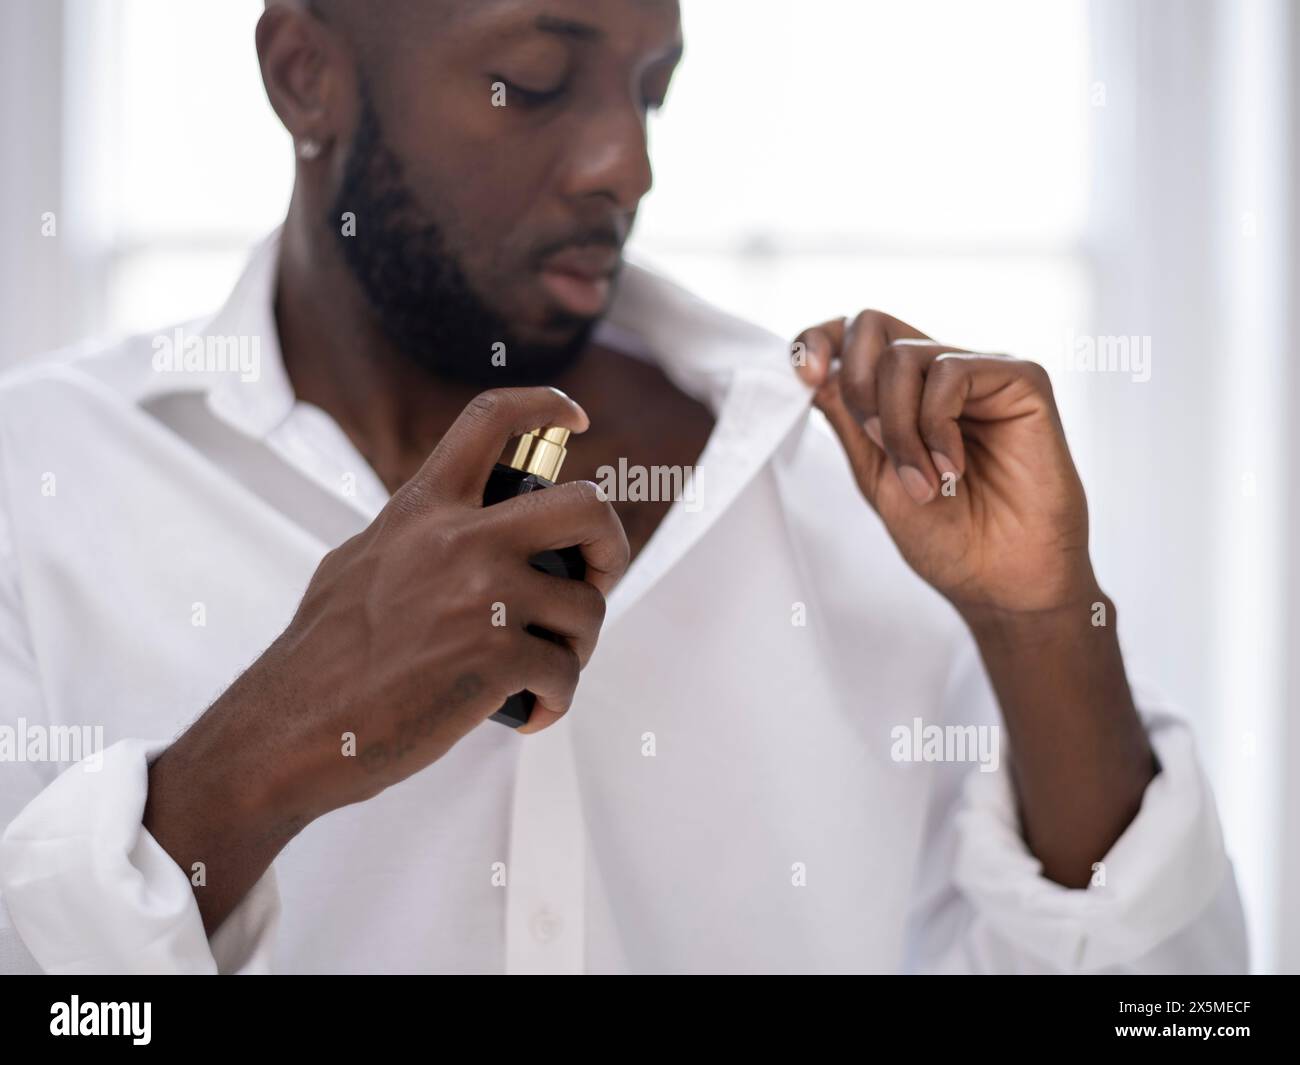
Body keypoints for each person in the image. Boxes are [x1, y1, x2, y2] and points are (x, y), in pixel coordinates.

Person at [0, 0, 1246, 974]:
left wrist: (1038, 629)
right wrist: (267, 749)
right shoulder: (39, 487)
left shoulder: (868, 496)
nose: (625, 165)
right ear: (303, 75)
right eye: (532, 83)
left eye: (654, 90)